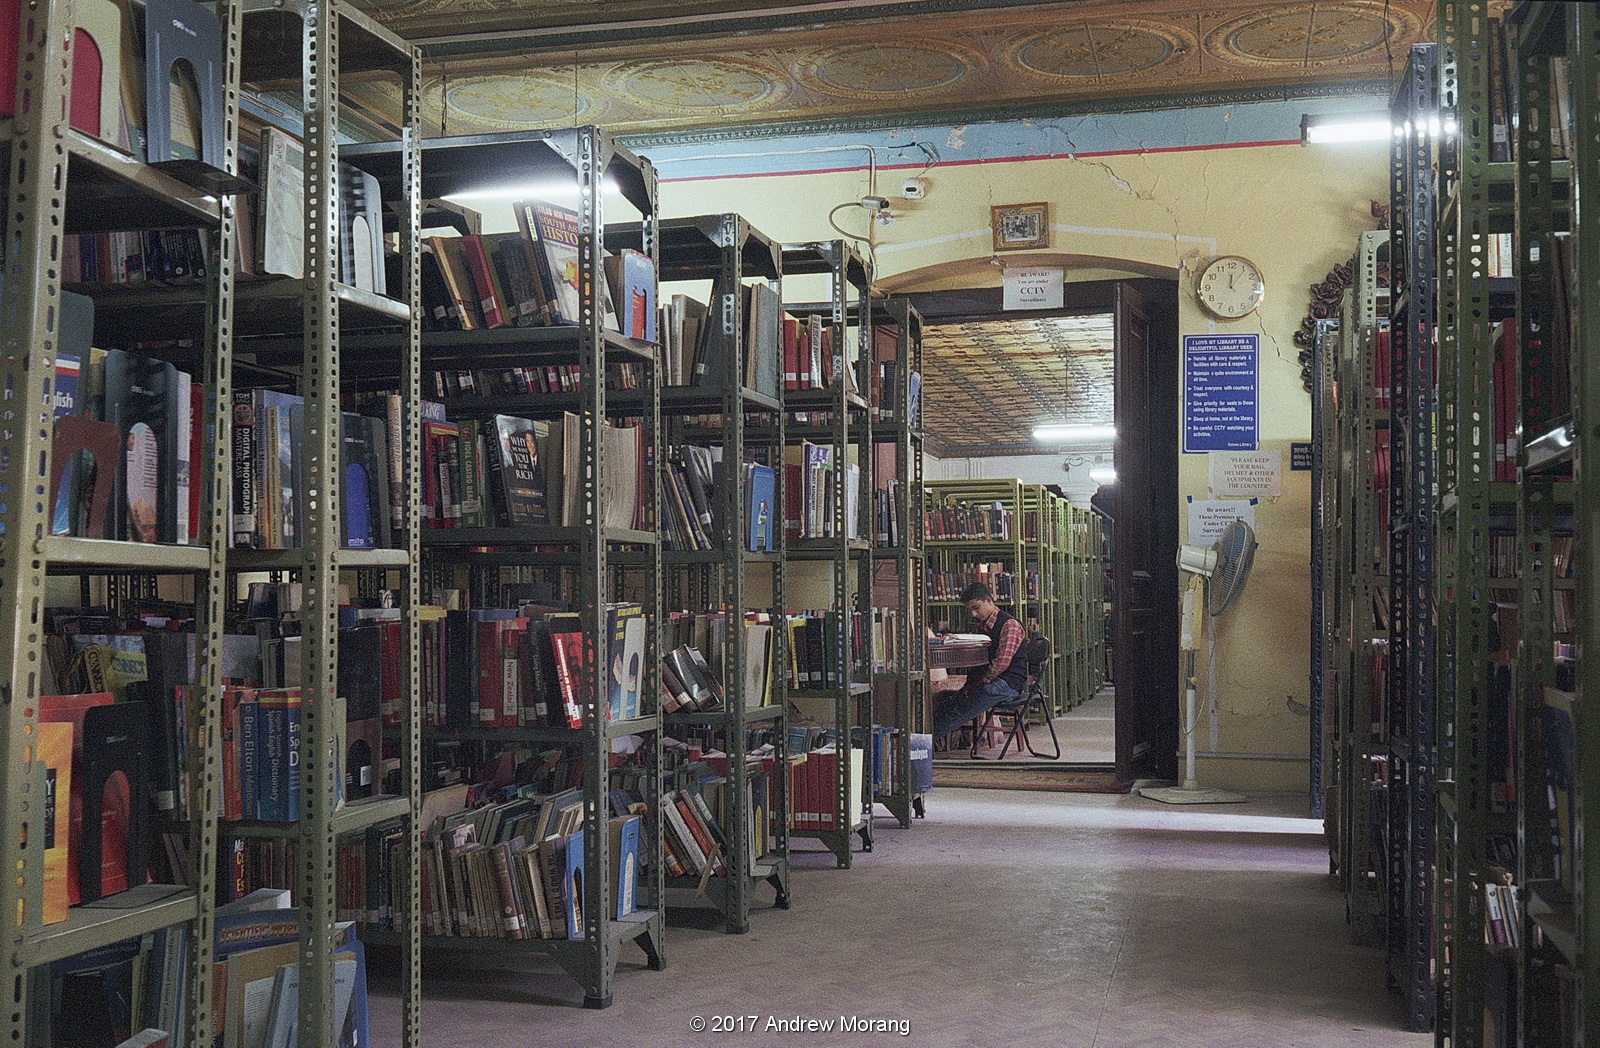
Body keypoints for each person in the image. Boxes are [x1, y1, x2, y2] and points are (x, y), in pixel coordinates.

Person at [932, 582, 1028, 741]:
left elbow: (1002, 663)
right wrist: (970, 685)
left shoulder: (1009, 625)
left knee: (962, 707)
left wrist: (982, 682)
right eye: (970, 610)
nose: (974, 615)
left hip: (1008, 683)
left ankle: (924, 744)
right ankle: (922, 742)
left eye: (976, 608)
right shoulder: (983, 627)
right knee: (951, 702)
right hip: (994, 681)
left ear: (989, 600)